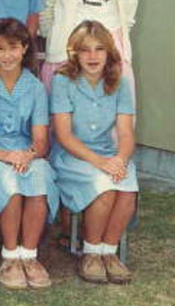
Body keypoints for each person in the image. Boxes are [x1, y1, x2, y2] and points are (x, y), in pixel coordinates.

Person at [0, 18, 57, 290]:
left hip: (26, 155)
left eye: (13, 47)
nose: (7, 55)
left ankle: (30, 255)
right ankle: (10, 255)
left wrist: (27, 155)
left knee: (38, 181)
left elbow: (41, 141)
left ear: (25, 48)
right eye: (0, 48)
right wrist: (6, 156)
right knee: (10, 186)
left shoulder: (36, 87)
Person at [49, 20, 138, 285]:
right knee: (105, 187)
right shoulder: (63, 81)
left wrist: (120, 159)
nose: (92, 56)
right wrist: (101, 163)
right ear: (74, 52)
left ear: (109, 52)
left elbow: (125, 132)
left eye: (99, 49)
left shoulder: (120, 83)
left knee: (126, 187)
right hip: (73, 156)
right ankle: (90, 252)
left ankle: (108, 252)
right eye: (85, 50)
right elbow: (64, 135)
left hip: (109, 153)